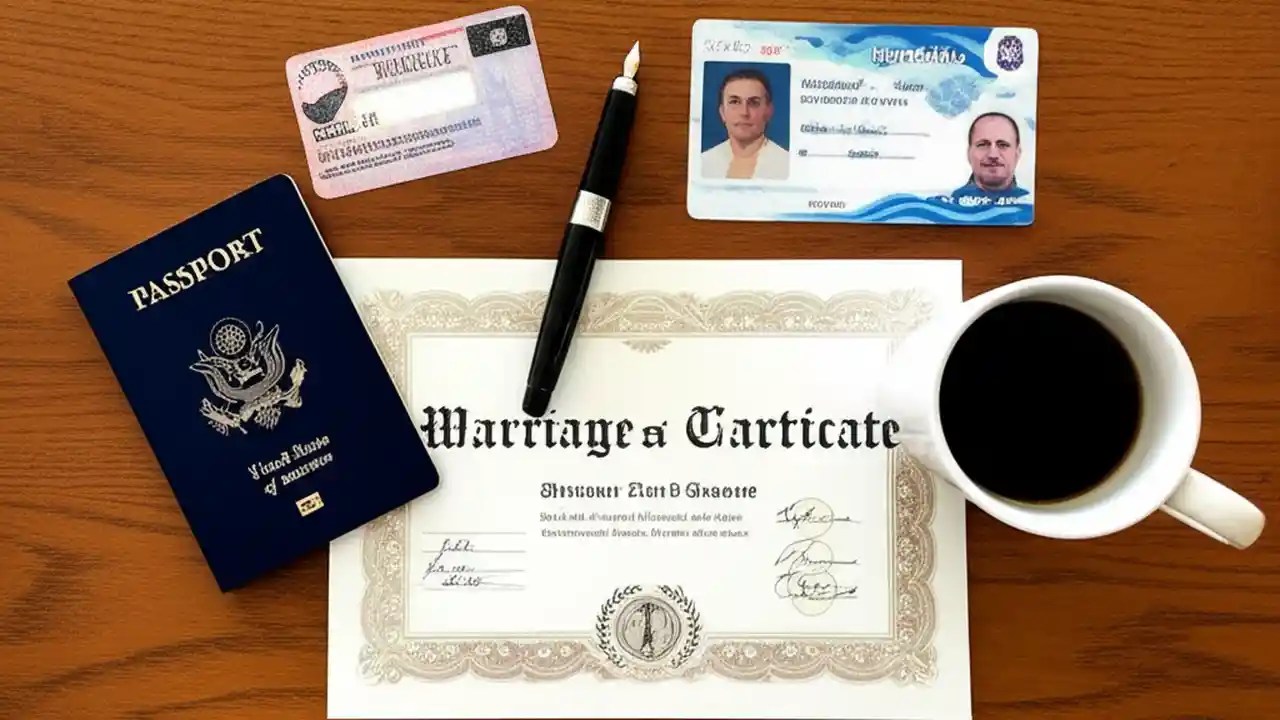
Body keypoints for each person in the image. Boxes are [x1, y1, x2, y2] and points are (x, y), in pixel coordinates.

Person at [701, 69, 789, 180]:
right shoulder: (703, 162)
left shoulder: (787, 165)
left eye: (754, 103)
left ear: (769, 111)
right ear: (722, 112)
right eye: (735, 102)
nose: (744, 112)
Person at [951, 112, 1029, 202]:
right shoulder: (947, 207)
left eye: (1003, 145)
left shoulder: (1032, 206)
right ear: (969, 153)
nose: (993, 155)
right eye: (983, 145)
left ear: (1017, 153)